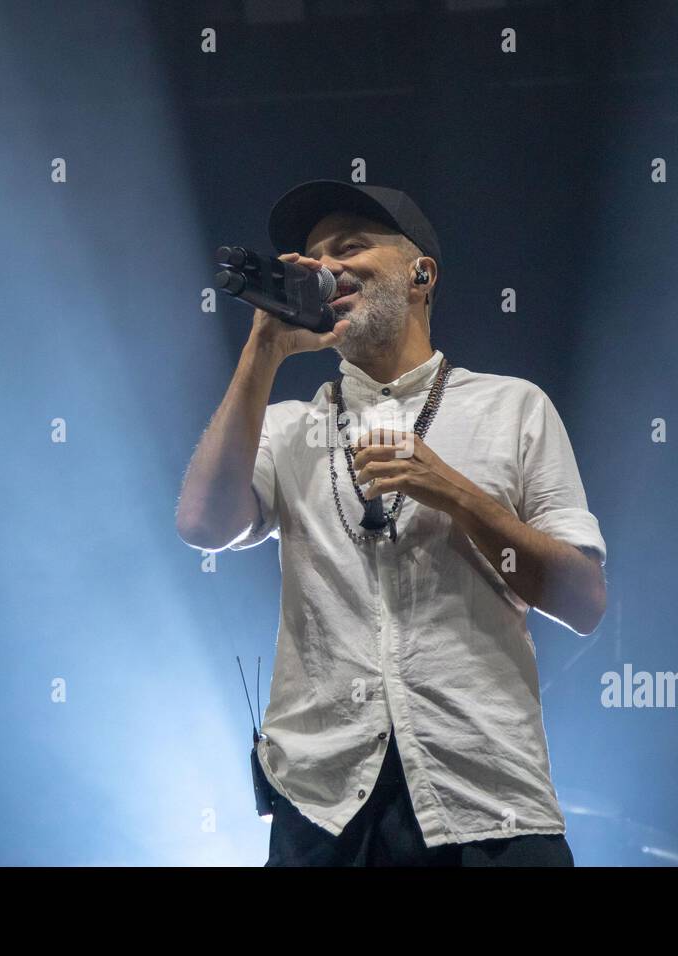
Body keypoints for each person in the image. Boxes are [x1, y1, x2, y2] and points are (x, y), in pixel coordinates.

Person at [177, 180, 608, 866]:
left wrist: (459, 495)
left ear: (420, 274)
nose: (326, 268)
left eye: (350, 248)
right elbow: (203, 524)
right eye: (315, 257)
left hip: (486, 802)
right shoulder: (288, 426)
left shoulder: (513, 408)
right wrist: (263, 349)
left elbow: (581, 603)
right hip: (322, 807)